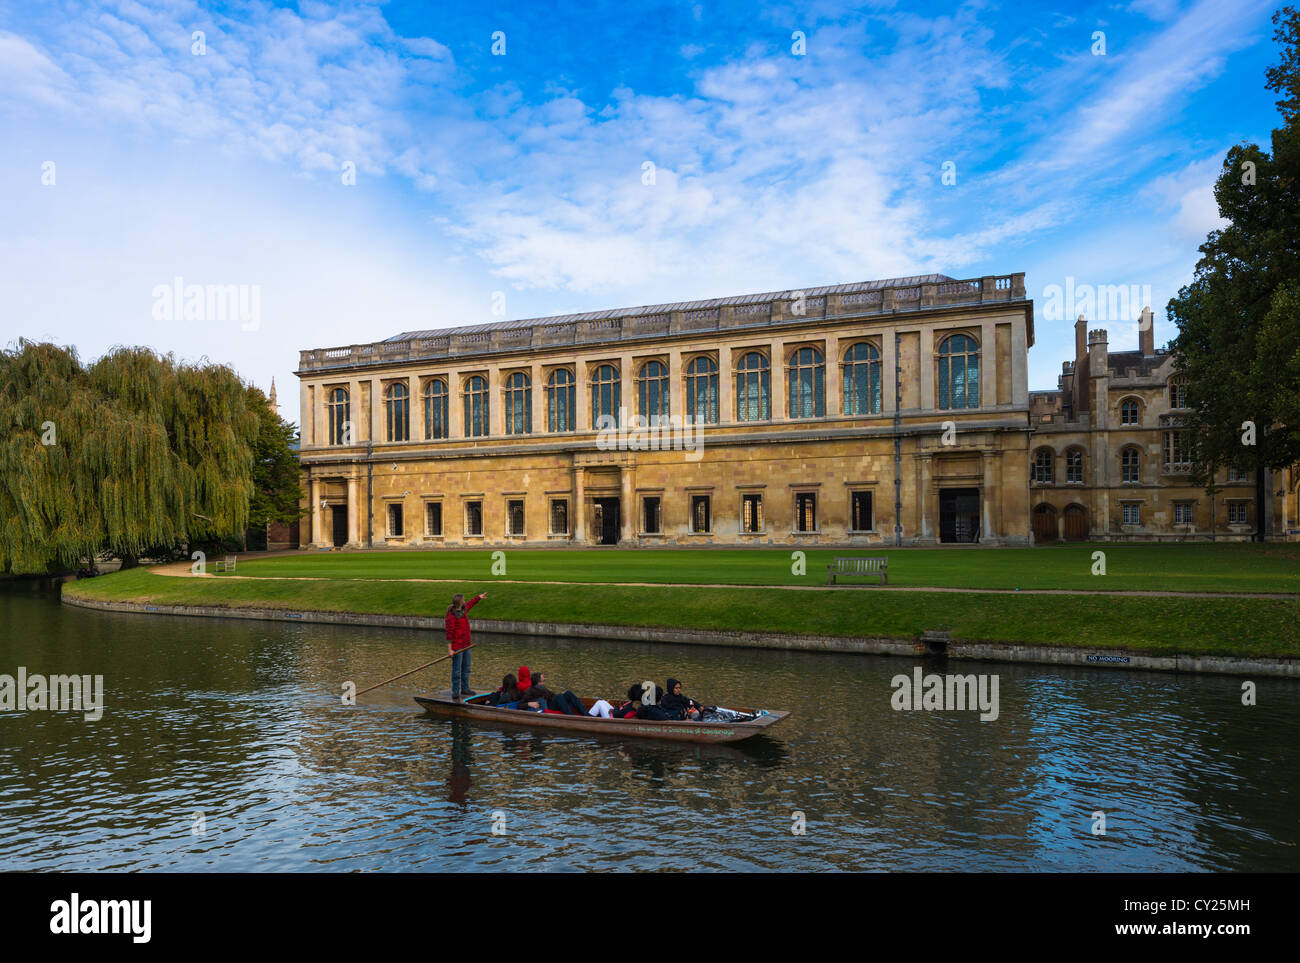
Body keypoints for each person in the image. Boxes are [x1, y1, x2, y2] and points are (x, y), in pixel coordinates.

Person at [445, 591, 486, 700]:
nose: (465, 601)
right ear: (460, 602)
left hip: (466, 645)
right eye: (463, 600)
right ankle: (455, 690)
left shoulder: (464, 610)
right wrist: (450, 649)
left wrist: (479, 597)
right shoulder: (452, 616)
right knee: (457, 670)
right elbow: (449, 633)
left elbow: (471, 603)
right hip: (457, 647)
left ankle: (465, 688)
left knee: (466, 668)